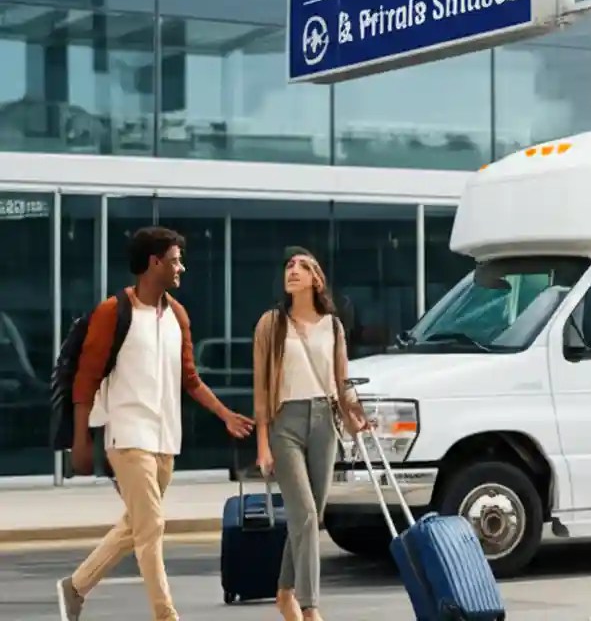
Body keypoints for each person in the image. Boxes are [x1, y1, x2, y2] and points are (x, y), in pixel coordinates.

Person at [57, 226, 255, 621]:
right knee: (152, 528)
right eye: (176, 259)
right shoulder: (113, 312)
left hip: (165, 437)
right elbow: (87, 379)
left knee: (137, 525)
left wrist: (224, 414)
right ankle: (166, 615)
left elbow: (190, 379)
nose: (181, 267)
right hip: (126, 435)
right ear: (154, 263)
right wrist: (80, 439)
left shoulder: (177, 315)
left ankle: (75, 586)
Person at [253, 247, 371, 621]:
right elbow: (260, 390)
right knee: (302, 513)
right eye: (289, 266)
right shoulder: (271, 324)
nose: (293, 271)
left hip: (325, 421)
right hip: (284, 423)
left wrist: (356, 415)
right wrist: (262, 444)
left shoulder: (333, 326)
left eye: (302, 267)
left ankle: (285, 591)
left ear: (316, 279)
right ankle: (311, 608)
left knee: (310, 517)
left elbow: (341, 380)